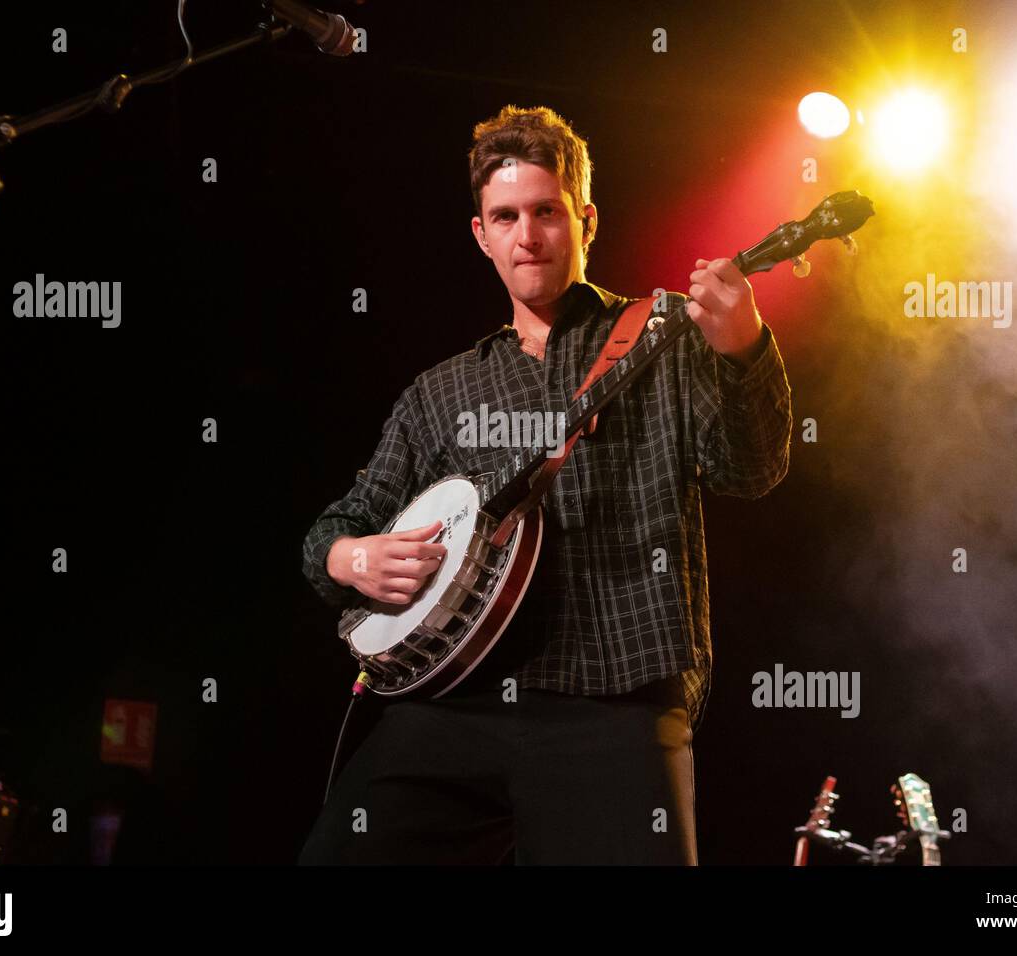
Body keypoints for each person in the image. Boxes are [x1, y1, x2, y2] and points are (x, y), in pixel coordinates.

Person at [298, 105, 792, 864]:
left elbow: (751, 471)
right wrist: (353, 560)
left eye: (546, 212)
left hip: (615, 695)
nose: (527, 235)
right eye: (505, 216)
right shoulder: (441, 391)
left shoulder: (664, 337)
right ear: (481, 234)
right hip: (451, 700)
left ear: (585, 221)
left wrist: (744, 349)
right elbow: (335, 529)